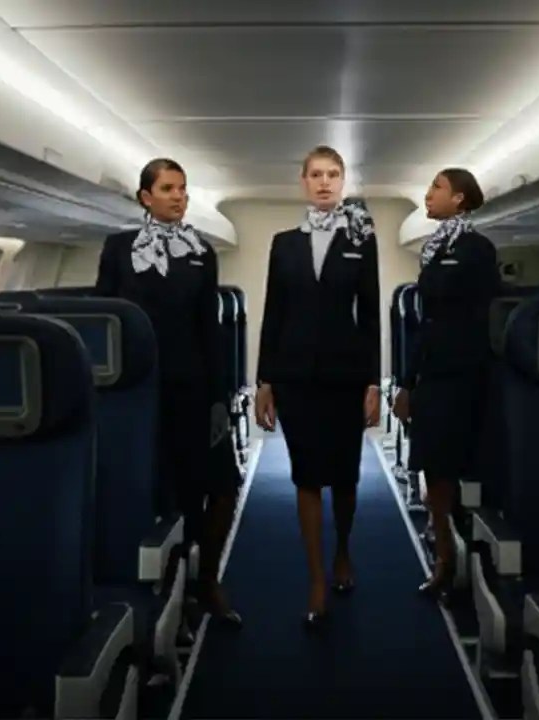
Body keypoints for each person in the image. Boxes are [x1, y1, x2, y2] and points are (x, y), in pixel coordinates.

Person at [97, 158, 241, 627]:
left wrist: (220, 397)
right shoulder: (119, 249)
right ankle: (170, 587)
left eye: (182, 189)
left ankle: (208, 581)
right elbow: (106, 322)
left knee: (221, 488)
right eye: (167, 188)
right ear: (145, 197)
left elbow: (209, 329)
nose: (178, 196)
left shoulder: (201, 250)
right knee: (163, 493)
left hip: (194, 389)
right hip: (136, 394)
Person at [254, 145, 381, 630]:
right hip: (295, 376)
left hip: (345, 376)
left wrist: (373, 380)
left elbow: (369, 315)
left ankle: (343, 551)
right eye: (316, 174)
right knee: (306, 475)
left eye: (333, 174)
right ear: (303, 182)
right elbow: (272, 314)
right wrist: (264, 380)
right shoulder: (283, 242)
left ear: (343, 182)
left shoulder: (360, 240)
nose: (324, 182)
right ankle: (315, 578)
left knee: (345, 476)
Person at [392, 168, 499, 605]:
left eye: (436, 187)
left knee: (449, 463)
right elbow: (427, 322)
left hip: (465, 371)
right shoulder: (434, 249)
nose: (427, 195)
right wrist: (406, 382)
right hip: (434, 368)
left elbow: (478, 312)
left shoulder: (476, 248)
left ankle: (446, 559)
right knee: (433, 464)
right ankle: (443, 551)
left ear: (459, 199)